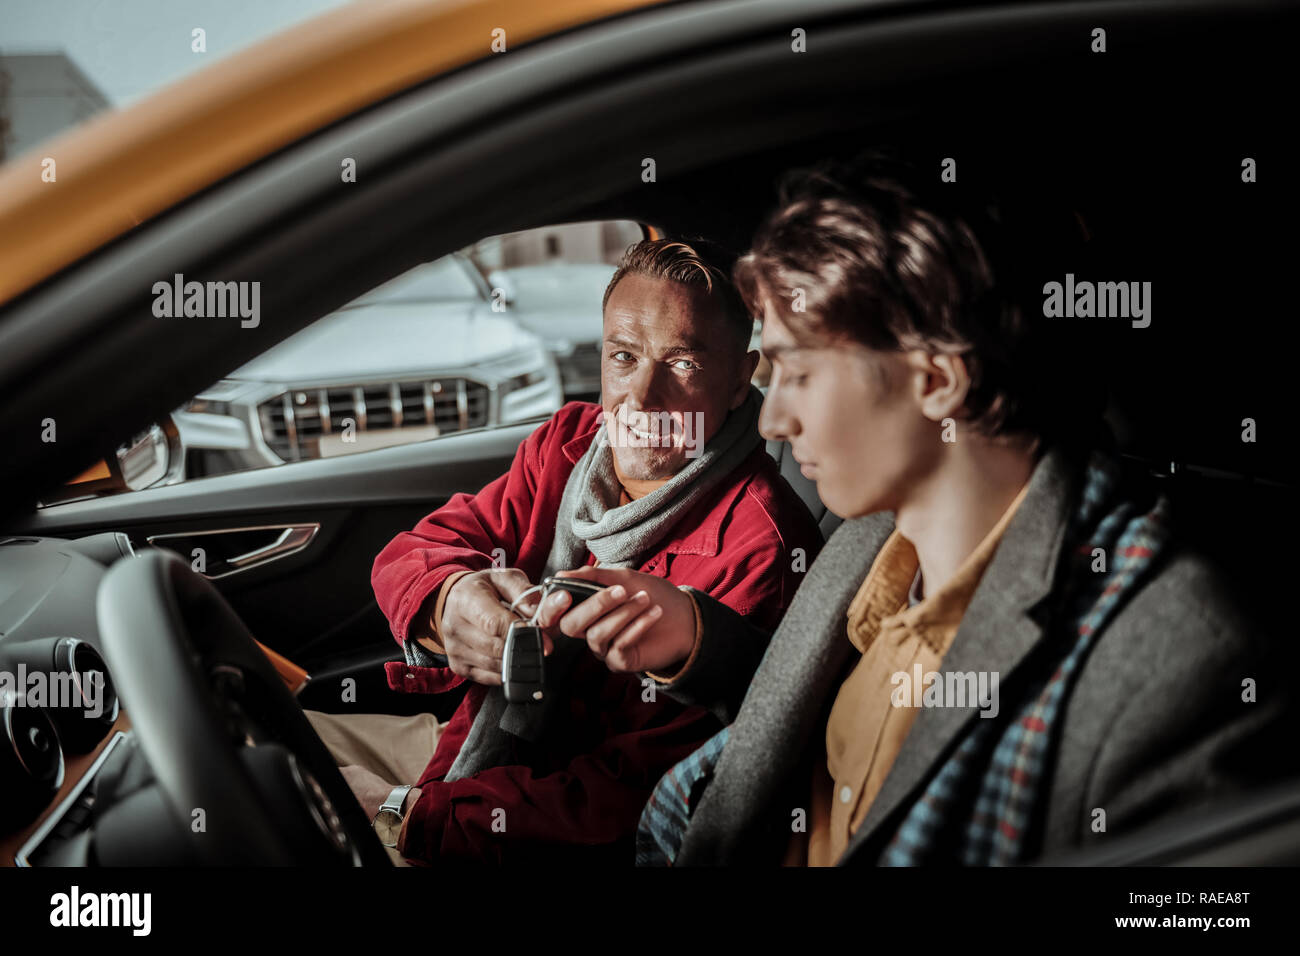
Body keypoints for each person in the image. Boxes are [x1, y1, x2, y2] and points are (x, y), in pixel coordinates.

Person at [536, 155, 1296, 865]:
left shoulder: (1175, 667)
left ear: (935, 380)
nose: (771, 420)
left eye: (798, 372)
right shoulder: (871, 541)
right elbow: (789, 718)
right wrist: (695, 638)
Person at [306, 237, 823, 864]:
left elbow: (622, 806)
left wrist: (403, 817)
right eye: (624, 358)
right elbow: (422, 547)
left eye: (682, 363)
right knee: (267, 744)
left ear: (741, 379)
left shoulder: (761, 545)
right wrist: (449, 603)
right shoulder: (569, 442)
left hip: (524, 829)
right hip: (469, 745)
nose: (640, 398)